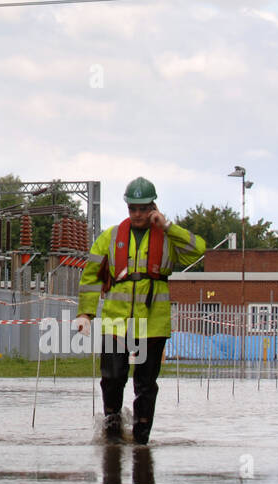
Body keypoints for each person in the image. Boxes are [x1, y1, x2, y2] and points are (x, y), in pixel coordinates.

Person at [74, 177, 205, 444]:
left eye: (143, 208)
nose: (137, 214)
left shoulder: (168, 238)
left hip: (152, 324)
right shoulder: (109, 238)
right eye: (132, 208)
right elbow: (90, 277)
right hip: (116, 323)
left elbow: (198, 250)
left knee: (145, 384)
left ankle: (141, 438)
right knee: (112, 378)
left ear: (153, 208)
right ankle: (112, 432)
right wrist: (86, 313)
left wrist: (167, 226)